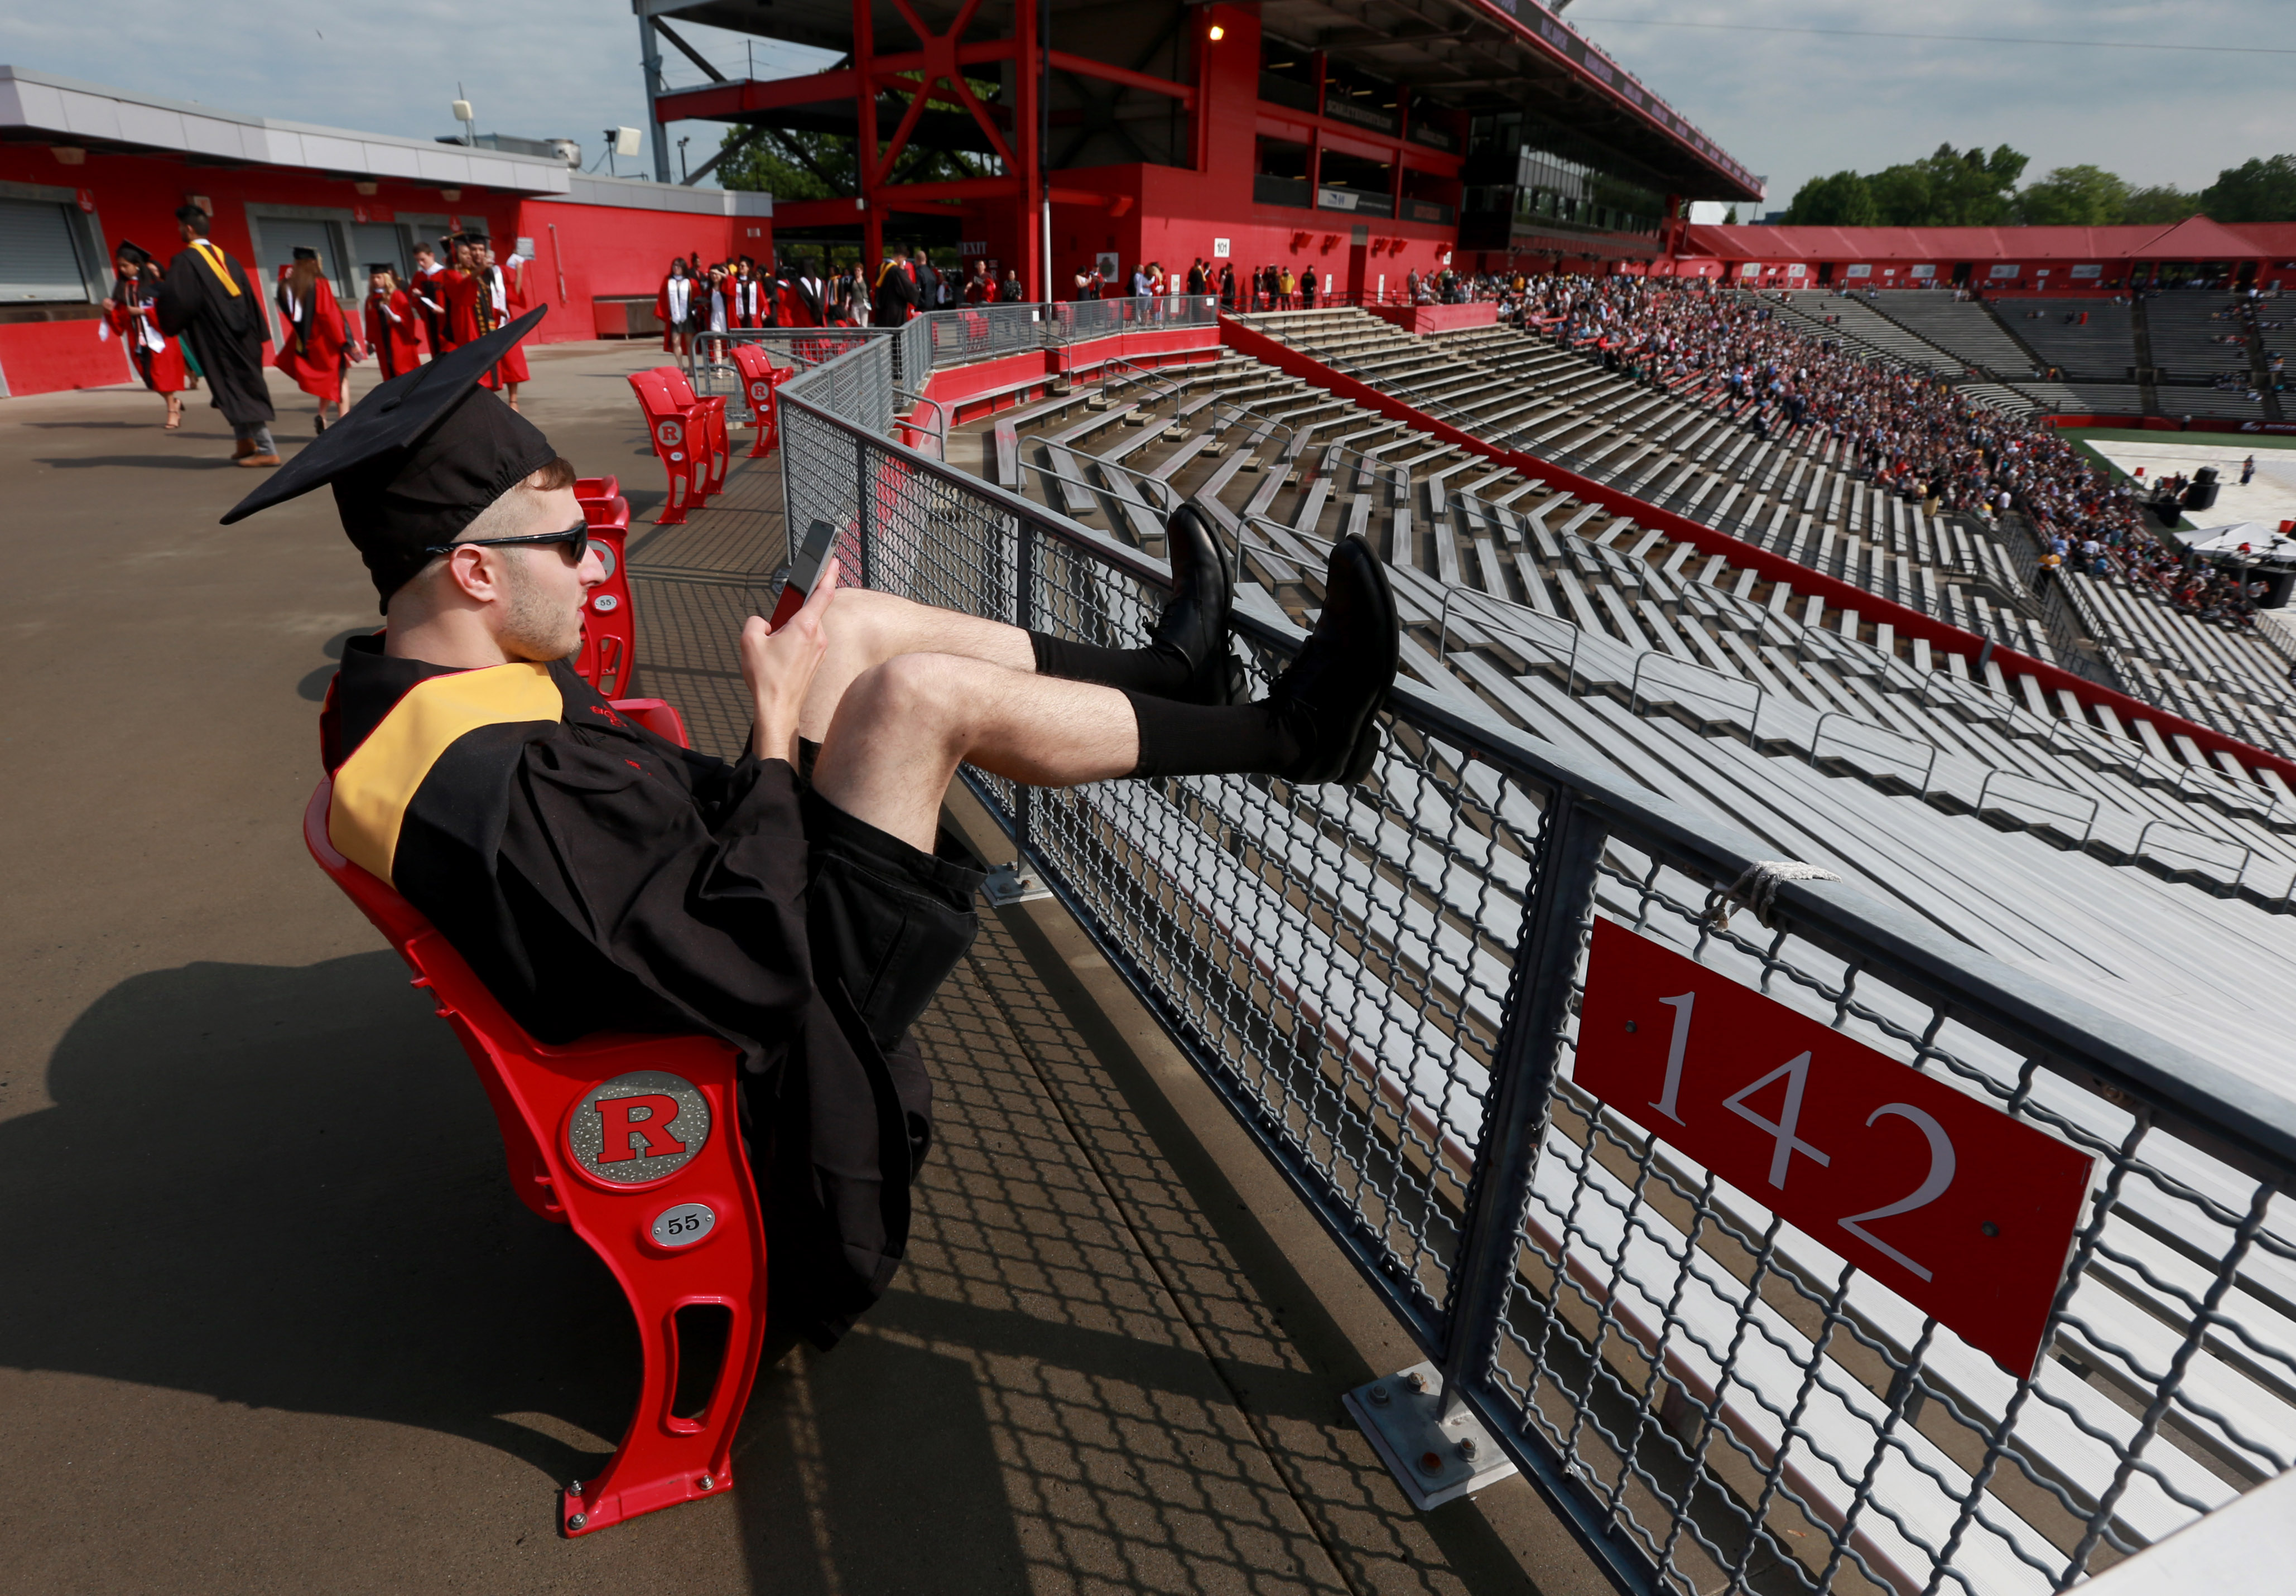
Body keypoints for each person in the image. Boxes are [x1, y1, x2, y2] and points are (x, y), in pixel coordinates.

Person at [226, 306, 1399, 1354]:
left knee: (853, 625)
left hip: (718, 919)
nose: (597, 560)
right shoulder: (496, 776)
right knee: (914, 697)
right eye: (574, 541)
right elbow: (739, 962)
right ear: (475, 571)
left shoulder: (420, 693)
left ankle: (1167, 669)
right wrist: (777, 724)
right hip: (775, 1052)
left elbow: (648, 866)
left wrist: (778, 727)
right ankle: (1295, 735)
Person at [152, 204, 278, 466]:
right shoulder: (228, 258)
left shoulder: (186, 261)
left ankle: (267, 450)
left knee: (239, 389)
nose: (178, 231)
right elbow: (251, 300)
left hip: (218, 341)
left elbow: (180, 302)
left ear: (188, 228)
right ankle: (245, 442)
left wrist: (164, 310)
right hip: (245, 339)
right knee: (231, 387)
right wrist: (258, 336)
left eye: (179, 227)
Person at [275, 248, 360, 431]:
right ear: (313, 262)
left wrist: (283, 280)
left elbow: (286, 308)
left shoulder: (290, 284)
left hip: (308, 341)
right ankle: (344, 422)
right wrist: (346, 341)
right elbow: (328, 314)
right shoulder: (319, 282)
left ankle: (322, 416)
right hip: (326, 340)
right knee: (341, 379)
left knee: (329, 381)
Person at [103, 240, 186, 430]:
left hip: (160, 338)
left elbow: (168, 313)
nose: (122, 269)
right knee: (150, 379)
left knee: (162, 376)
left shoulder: (155, 286)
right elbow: (120, 325)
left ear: (137, 264)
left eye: (126, 265)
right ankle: (175, 403)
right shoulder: (122, 290)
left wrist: (143, 312)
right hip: (138, 341)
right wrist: (109, 312)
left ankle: (172, 412)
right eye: (120, 266)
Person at [363, 264, 423, 382]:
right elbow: (369, 321)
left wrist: (399, 318)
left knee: (402, 369)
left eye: (379, 277)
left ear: (386, 278)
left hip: (398, 339)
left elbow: (408, 316)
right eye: (373, 278)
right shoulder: (371, 299)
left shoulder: (396, 295)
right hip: (382, 341)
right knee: (388, 370)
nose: (376, 280)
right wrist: (369, 341)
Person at [409, 242, 449, 355]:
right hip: (430, 321)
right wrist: (417, 296)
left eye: (423, 259)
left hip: (445, 320)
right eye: (417, 260)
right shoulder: (419, 276)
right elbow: (414, 301)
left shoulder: (444, 274)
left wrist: (444, 311)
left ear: (431, 255)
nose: (420, 263)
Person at [872, 252, 920, 325]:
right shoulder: (897, 271)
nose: (904, 264)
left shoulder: (882, 267)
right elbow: (909, 288)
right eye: (904, 261)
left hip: (883, 310)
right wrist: (917, 289)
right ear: (900, 258)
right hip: (895, 310)